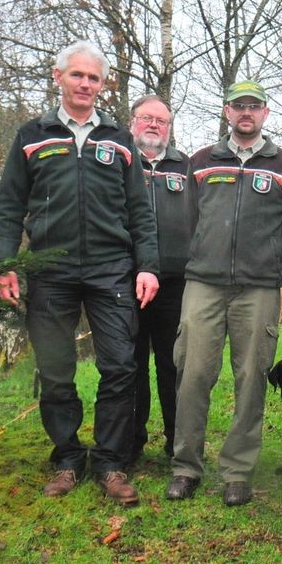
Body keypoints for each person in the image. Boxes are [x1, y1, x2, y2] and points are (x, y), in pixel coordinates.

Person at [0, 40, 160, 507]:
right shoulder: (32, 135)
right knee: (56, 370)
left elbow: (140, 212)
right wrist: (5, 265)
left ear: (103, 85)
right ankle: (67, 458)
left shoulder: (119, 140)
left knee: (120, 367)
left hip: (111, 271)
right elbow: (8, 207)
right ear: (58, 77)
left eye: (93, 78)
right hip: (50, 270)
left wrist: (147, 266)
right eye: (77, 75)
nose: (85, 84)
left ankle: (109, 462)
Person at [165, 81, 282, 506]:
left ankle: (238, 472)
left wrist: (268, 262)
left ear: (265, 112)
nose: (246, 112)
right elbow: (188, 220)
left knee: (251, 378)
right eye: (239, 105)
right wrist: (205, 255)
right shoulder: (201, 161)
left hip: (258, 288)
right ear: (227, 111)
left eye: (254, 106)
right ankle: (186, 467)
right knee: (192, 373)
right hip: (203, 284)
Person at [127, 95, 190, 463]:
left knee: (173, 364)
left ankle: (176, 442)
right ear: (132, 122)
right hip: (126, 280)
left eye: (161, 120)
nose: (153, 125)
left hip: (175, 283)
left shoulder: (186, 167)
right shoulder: (120, 163)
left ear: (169, 127)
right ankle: (132, 441)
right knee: (130, 364)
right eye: (146, 118)